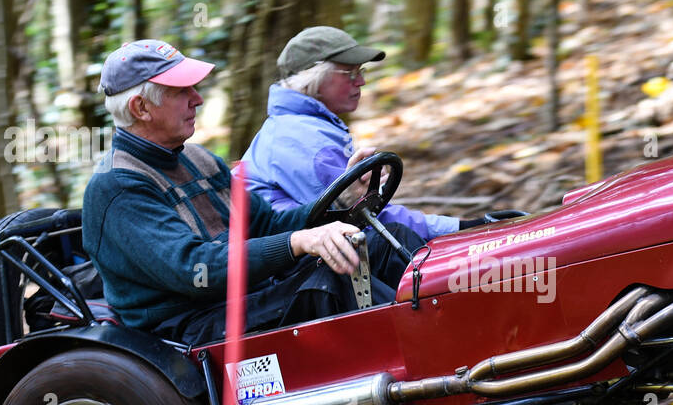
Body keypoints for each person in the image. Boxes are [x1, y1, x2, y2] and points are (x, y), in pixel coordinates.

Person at [82, 39, 420, 346]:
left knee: (381, 243)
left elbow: (267, 224)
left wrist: (342, 201)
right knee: (334, 280)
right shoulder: (117, 188)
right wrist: (299, 242)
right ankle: (423, 356)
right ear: (141, 108)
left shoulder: (198, 159)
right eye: (182, 91)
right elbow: (195, 270)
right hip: (191, 329)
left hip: (245, 298)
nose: (197, 99)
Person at [237, 26, 482, 239]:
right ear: (312, 78)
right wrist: (460, 228)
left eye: (361, 71)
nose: (360, 82)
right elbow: (366, 220)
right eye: (350, 73)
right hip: (287, 278)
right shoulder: (304, 141)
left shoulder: (296, 126)